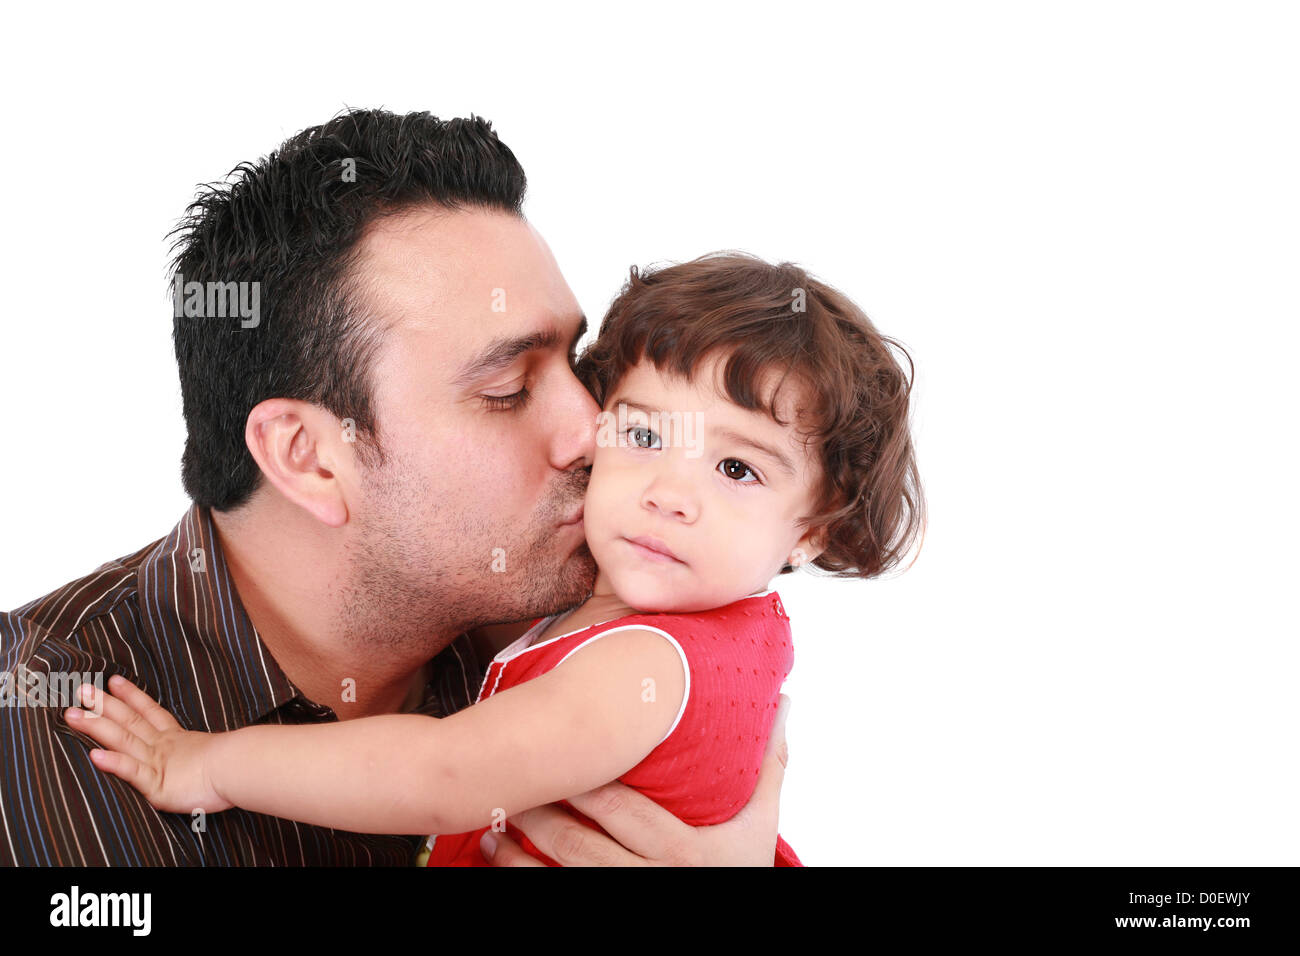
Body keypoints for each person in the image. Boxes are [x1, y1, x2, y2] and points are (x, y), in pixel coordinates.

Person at [0, 109, 787, 866]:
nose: (595, 428)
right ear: (310, 458)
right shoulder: (46, 722)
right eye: (510, 388)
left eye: (580, 368)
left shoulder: (591, 639)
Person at [64, 253, 926, 867]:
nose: (669, 492)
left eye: (736, 470)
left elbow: (440, 773)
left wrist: (208, 765)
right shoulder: (637, 610)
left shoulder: (645, 664)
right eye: (641, 435)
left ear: (814, 531)